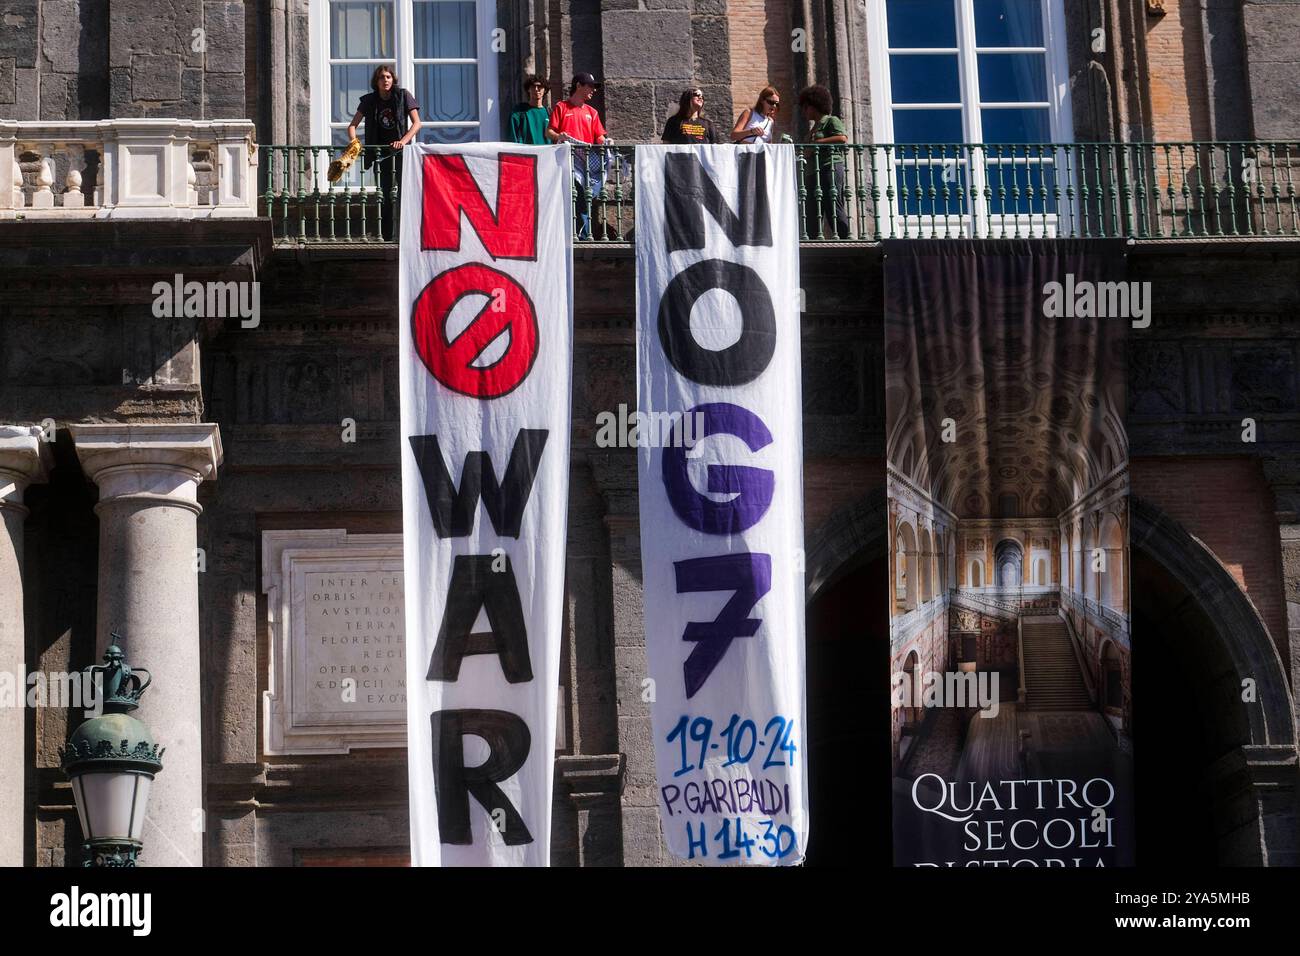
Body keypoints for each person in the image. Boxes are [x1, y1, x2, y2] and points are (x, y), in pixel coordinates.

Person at [346, 64, 421, 240]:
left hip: (402, 154)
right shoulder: (370, 100)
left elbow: (417, 123)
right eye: (381, 77)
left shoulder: (403, 96)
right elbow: (352, 126)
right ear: (376, 81)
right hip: (381, 155)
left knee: (405, 194)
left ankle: (408, 236)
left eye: (388, 77)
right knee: (385, 196)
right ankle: (387, 236)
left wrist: (402, 142)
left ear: (393, 79)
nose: (385, 80)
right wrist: (356, 144)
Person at [547, 72, 609, 239]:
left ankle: (581, 235)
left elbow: (599, 136)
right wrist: (559, 136)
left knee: (583, 197)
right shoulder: (562, 107)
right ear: (578, 86)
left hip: (586, 162)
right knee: (569, 196)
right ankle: (566, 234)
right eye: (590, 86)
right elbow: (549, 131)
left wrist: (607, 142)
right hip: (566, 160)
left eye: (594, 87)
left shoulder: (592, 112)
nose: (593, 90)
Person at [798, 83, 850, 239]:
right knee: (813, 209)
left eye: (806, 107)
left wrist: (818, 143)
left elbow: (842, 138)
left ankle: (844, 237)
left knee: (833, 204)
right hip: (814, 171)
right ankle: (813, 239)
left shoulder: (831, 121)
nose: (804, 111)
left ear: (815, 105)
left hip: (830, 167)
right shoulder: (813, 129)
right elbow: (808, 151)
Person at [509, 75, 550, 145]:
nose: (536, 89)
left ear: (545, 90)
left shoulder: (549, 112)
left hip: (545, 154)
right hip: (526, 154)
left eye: (539, 86)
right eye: (533, 87)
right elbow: (512, 137)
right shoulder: (518, 112)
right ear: (528, 89)